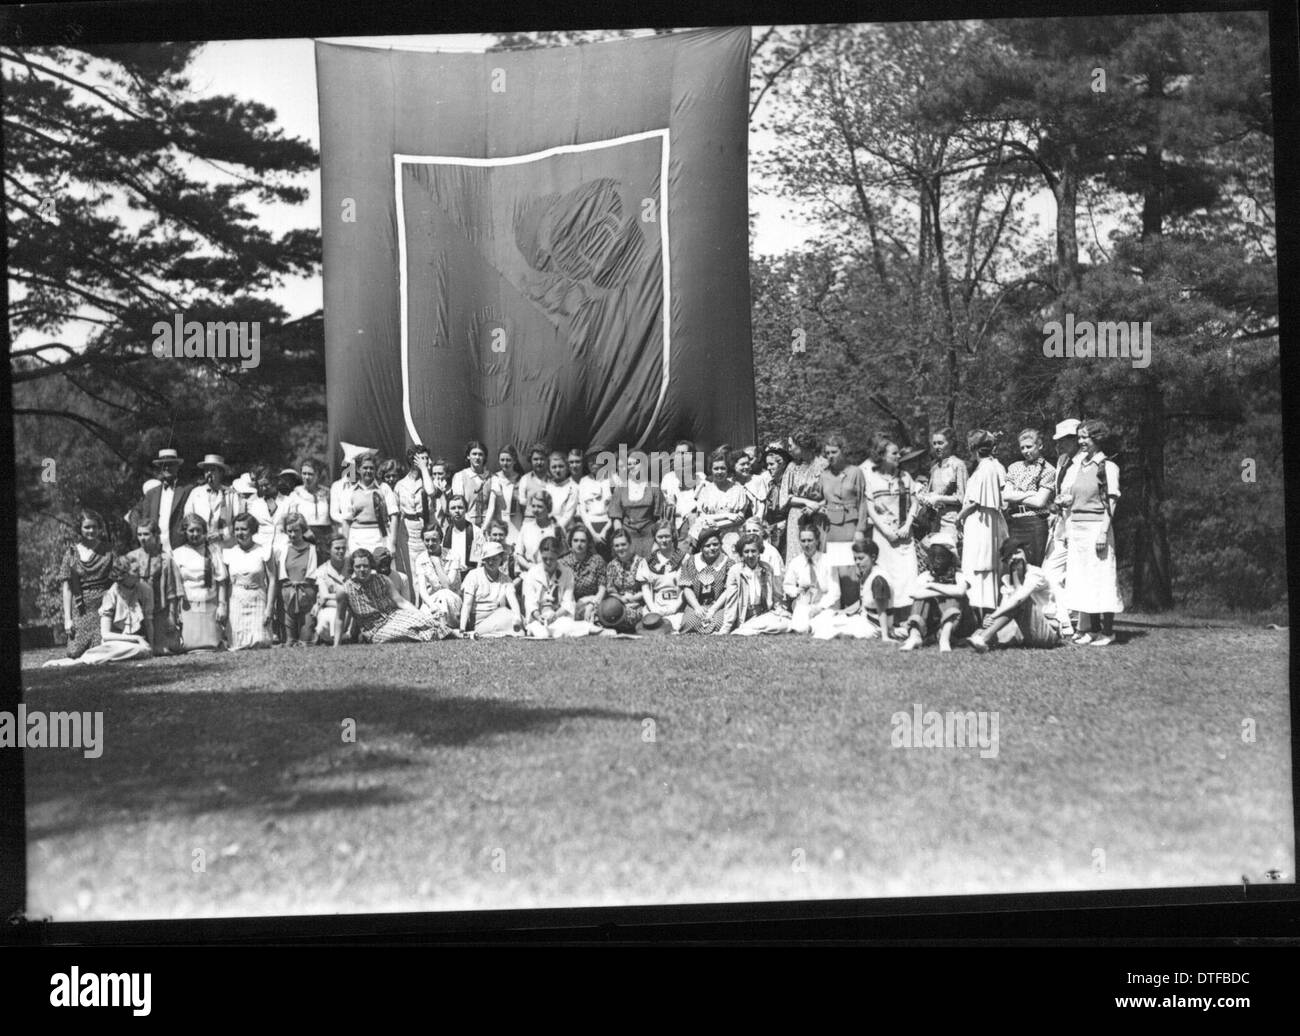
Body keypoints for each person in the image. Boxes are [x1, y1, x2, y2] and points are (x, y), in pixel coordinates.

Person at [1059, 419, 1123, 646]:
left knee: (1101, 577)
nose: (1081, 441)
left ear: (1097, 438)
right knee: (1083, 579)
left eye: (1085, 437)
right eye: (1079, 437)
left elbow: (1111, 501)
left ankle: (1108, 631)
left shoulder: (1107, 466)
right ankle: (1092, 630)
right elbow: (1077, 495)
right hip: (1077, 528)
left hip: (1096, 527)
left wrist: (1103, 533)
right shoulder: (1079, 466)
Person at [43, 556, 155, 667]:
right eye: (135, 571)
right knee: (134, 649)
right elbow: (106, 635)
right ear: (124, 574)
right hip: (116, 642)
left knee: (142, 650)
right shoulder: (111, 594)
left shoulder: (145, 590)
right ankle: (76, 661)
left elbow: (149, 622)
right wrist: (136, 638)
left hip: (137, 643)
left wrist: (152, 646)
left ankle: (85, 659)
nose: (140, 573)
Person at [334, 548, 452, 645]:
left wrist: (418, 614)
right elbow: (339, 618)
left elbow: (401, 602)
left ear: (371, 566)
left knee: (424, 620)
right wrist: (336, 645)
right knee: (403, 632)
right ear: (352, 568)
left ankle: (456, 634)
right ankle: (441, 635)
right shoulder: (344, 590)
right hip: (375, 629)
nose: (362, 570)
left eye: (365, 566)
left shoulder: (382, 580)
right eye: (358, 566)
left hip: (394, 616)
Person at [969, 540, 1064, 653]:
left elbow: (1019, 599)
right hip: (1025, 631)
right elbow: (1006, 608)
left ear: (1025, 554)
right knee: (981, 629)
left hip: (1048, 631)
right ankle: (981, 638)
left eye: (1017, 552)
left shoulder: (1035, 573)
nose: (1014, 557)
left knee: (1019, 601)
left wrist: (993, 616)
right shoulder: (1006, 579)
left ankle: (983, 638)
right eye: (1010, 556)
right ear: (1006, 562)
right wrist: (988, 620)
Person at [864, 438, 920, 622]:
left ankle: (908, 620)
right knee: (887, 577)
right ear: (881, 456)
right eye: (894, 453)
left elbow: (914, 503)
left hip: (905, 536)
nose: (898, 456)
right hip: (883, 537)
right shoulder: (871, 478)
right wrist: (887, 532)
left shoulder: (905, 477)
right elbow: (870, 508)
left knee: (909, 576)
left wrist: (907, 526)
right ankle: (888, 622)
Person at [958, 429, 1008, 618]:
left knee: (980, 562)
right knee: (981, 562)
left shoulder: (986, 468)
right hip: (986, 521)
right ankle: (980, 612)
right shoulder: (993, 466)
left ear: (973, 447)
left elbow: (974, 502)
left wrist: (959, 517)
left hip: (981, 522)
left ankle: (984, 612)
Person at [818, 432, 872, 601]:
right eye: (827, 453)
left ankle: (853, 606)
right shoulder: (824, 474)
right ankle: (835, 607)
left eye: (834, 452)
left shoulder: (855, 472)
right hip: (830, 528)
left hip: (850, 525)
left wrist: (860, 529)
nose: (830, 456)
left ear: (843, 451)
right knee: (833, 570)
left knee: (851, 569)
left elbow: (863, 501)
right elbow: (820, 499)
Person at [1041, 419, 1081, 638]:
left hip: (1077, 525)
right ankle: (1065, 619)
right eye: (1059, 441)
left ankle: (1073, 621)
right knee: (1049, 574)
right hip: (1059, 523)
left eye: (1065, 440)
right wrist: (1054, 508)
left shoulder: (1084, 462)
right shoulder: (1062, 461)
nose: (1060, 445)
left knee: (1074, 575)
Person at [57, 509, 117, 660]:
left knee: (102, 649)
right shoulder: (71, 553)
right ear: (80, 528)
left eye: (95, 527)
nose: (91, 531)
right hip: (81, 607)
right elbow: (67, 588)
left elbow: (119, 579)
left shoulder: (108, 550)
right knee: (74, 653)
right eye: (87, 527)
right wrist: (67, 619)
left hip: (104, 606)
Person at [899, 538, 973, 652]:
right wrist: (941, 591)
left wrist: (933, 586)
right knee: (923, 599)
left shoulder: (959, 574)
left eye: (940, 557)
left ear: (950, 558)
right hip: (933, 625)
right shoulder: (926, 575)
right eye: (933, 557)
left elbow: (960, 591)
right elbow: (914, 594)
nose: (936, 561)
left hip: (957, 626)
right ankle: (915, 636)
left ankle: (945, 638)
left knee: (952, 597)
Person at [171, 513, 229, 651]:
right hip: (187, 605)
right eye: (191, 530)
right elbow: (175, 584)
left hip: (209, 603)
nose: (195, 534)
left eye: (198, 530)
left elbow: (221, 581)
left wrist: (222, 606)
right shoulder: (178, 553)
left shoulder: (213, 551)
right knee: (189, 645)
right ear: (185, 532)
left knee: (212, 644)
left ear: (204, 532)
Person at [522, 536, 596, 638]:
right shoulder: (532, 573)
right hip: (537, 618)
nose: (548, 562)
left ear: (558, 556)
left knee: (565, 626)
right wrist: (538, 616)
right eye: (545, 559)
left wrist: (555, 616)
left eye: (552, 559)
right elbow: (529, 602)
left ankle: (591, 629)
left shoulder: (567, 573)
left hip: (558, 617)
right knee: (542, 634)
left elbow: (568, 602)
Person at [1003, 429, 1055, 566]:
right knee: (1014, 565)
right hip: (1014, 522)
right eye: (1022, 448)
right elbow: (1006, 495)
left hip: (1035, 523)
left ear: (1040, 446)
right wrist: (1029, 494)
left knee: (1034, 567)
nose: (1026, 451)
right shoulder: (1014, 467)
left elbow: (1039, 502)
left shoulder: (1048, 470)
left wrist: (1016, 496)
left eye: (1029, 446)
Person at [127, 519, 181, 654]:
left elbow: (172, 591)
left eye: (146, 534)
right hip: (136, 610)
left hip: (159, 610)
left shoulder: (165, 559)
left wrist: (172, 616)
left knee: (167, 649)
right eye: (139, 534)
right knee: (137, 648)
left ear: (156, 535)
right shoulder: (131, 557)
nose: (142, 538)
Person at [224, 512, 275, 651]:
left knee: (260, 641)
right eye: (237, 529)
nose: (240, 533)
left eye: (244, 529)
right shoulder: (229, 553)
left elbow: (272, 580)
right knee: (237, 644)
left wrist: (269, 608)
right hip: (237, 598)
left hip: (257, 597)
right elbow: (224, 582)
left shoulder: (263, 551)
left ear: (252, 530)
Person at [720, 532, 788, 635]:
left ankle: (753, 629)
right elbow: (731, 601)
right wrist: (725, 628)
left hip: (764, 614)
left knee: (786, 623)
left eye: (753, 551)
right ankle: (746, 629)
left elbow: (774, 597)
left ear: (759, 552)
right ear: (741, 553)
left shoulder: (767, 568)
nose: (750, 555)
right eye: (746, 552)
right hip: (745, 615)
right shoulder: (735, 571)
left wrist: (781, 612)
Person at [130, 447, 192, 555]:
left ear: (177, 466)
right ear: (159, 468)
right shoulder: (151, 493)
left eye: (171, 464)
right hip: (155, 548)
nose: (167, 467)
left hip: (180, 549)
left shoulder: (187, 489)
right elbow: (144, 518)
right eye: (163, 465)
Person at [778, 432, 826, 565]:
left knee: (819, 554)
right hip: (797, 517)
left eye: (791, 445)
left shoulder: (823, 465)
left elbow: (833, 493)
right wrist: (806, 501)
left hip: (819, 515)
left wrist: (818, 505)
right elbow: (784, 497)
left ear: (802, 445)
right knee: (796, 555)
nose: (789, 449)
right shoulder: (792, 467)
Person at [692, 446, 749, 558]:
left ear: (728, 469)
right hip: (710, 537)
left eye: (722, 468)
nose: (719, 472)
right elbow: (702, 518)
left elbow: (739, 518)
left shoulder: (737, 490)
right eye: (716, 468)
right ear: (711, 470)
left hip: (731, 534)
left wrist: (717, 525)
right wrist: (728, 515)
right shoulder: (706, 490)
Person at [782, 524, 839, 634]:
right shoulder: (796, 562)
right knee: (800, 629)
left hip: (823, 606)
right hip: (803, 605)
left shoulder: (827, 561)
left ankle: (817, 624)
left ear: (817, 541)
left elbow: (835, 591)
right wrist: (796, 591)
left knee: (824, 626)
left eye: (810, 540)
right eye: (803, 541)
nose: (806, 544)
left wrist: (820, 608)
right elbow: (787, 585)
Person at [675, 528, 734, 634]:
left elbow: (728, 590)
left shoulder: (728, 563)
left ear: (720, 545)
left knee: (719, 622)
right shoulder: (691, 561)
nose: (712, 548)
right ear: (701, 548)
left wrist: (713, 610)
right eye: (707, 546)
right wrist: (697, 607)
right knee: (689, 622)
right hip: (697, 604)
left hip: (719, 605)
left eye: (715, 544)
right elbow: (687, 588)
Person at [458, 542, 523, 637]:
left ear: (501, 559)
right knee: (507, 615)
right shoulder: (473, 575)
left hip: (499, 617)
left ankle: (491, 634)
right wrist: (462, 629)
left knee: (514, 617)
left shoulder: (506, 580)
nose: (491, 562)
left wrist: (517, 617)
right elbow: (467, 604)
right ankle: (478, 633)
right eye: (488, 559)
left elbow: (513, 601)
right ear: (483, 560)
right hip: (479, 622)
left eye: (495, 559)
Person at [393, 445, 438, 575]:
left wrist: (424, 469)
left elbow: (430, 491)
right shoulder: (401, 485)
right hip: (408, 531)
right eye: (423, 459)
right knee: (412, 570)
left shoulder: (429, 480)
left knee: (429, 568)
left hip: (426, 527)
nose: (428, 461)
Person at [595, 528, 651, 632]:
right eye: (617, 545)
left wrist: (632, 598)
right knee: (601, 613)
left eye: (623, 544)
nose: (620, 548)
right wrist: (621, 599)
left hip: (637, 604)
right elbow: (611, 590)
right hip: (617, 603)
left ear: (630, 544)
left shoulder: (640, 562)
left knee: (627, 617)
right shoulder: (611, 565)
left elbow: (647, 590)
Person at [277, 514, 321, 646]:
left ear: (302, 530)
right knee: (288, 641)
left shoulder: (313, 549)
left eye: (296, 530)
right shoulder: (282, 549)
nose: (292, 534)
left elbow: (317, 577)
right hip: (287, 597)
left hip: (307, 597)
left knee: (306, 640)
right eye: (289, 531)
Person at [609, 450, 663, 558]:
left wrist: (657, 543)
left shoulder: (654, 488)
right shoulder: (620, 489)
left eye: (636, 463)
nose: (632, 467)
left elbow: (660, 519)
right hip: (628, 539)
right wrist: (621, 541)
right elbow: (616, 518)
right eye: (629, 464)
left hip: (650, 537)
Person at [916, 427, 967, 541]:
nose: (937, 447)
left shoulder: (958, 465)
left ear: (951, 443)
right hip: (935, 522)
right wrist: (924, 497)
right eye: (934, 444)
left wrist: (939, 498)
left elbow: (962, 498)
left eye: (940, 443)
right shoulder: (934, 468)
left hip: (952, 522)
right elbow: (930, 494)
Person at [184, 453, 242, 550]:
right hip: (200, 543)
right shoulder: (196, 493)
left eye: (212, 470)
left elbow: (239, 520)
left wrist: (222, 533)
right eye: (206, 470)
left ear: (221, 473)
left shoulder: (231, 494)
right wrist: (197, 533)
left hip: (225, 545)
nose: (209, 473)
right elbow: (188, 517)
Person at [413, 522, 462, 628]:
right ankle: (444, 628)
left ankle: (443, 628)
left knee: (443, 594)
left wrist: (437, 564)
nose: (430, 543)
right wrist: (432, 606)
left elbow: (447, 586)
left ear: (441, 540)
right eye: (427, 540)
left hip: (452, 600)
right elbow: (423, 590)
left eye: (434, 540)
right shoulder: (421, 559)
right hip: (432, 601)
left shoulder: (453, 556)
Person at [344, 451, 392, 556]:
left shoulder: (384, 488)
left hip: (380, 536)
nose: (368, 471)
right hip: (357, 538)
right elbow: (347, 521)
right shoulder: (351, 491)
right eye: (365, 468)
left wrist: (392, 544)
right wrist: (346, 547)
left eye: (371, 468)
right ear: (358, 469)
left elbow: (394, 516)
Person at [643, 521, 686, 627]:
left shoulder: (685, 558)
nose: (664, 540)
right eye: (660, 537)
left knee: (677, 625)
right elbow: (646, 589)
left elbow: (687, 588)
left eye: (667, 536)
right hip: (655, 607)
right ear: (655, 538)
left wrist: (674, 608)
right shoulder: (647, 561)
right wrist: (653, 610)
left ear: (673, 536)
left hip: (678, 606)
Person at [661, 439, 701, 550]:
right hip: (674, 525)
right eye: (678, 454)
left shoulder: (700, 477)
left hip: (693, 526)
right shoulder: (668, 478)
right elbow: (668, 504)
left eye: (684, 454)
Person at [576, 447, 615, 559]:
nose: (593, 463)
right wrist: (593, 533)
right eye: (590, 461)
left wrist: (605, 530)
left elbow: (616, 506)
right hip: (590, 526)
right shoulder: (584, 481)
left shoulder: (613, 479)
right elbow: (582, 509)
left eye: (596, 459)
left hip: (609, 526)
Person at [562, 525, 607, 622]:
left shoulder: (597, 561)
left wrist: (592, 604)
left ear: (588, 543)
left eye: (583, 541)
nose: (579, 544)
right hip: (570, 604)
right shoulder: (563, 563)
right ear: (570, 542)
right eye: (576, 540)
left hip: (594, 601)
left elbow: (602, 589)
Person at [311, 535, 350, 644]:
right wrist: (345, 600)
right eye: (337, 548)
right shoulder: (322, 571)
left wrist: (331, 597)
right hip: (333, 607)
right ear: (329, 549)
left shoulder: (351, 566)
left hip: (351, 607)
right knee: (329, 616)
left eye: (343, 548)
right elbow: (324, 598)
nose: (341, 551)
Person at [451, 440, 496, 534]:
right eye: (474, 454)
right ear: (468, 456)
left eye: (480, 454)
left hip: (487, 527)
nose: (477, 457)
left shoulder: (492, 478)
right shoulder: (460, 476)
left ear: (485, 457)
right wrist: (472, 528)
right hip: (466, 525)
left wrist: (483, 529)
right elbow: (459, 505)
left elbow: (492, 506)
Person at [288, 458, 334, 548]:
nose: (307, 477)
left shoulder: (327, 494)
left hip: (325, 537)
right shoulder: (295, 494)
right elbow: (292, 520)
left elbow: (333, 517)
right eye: (304, 473)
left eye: (310, 474)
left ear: (318, 475)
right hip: (304, 537)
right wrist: (306, 532)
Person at [245, 464, 289, 557]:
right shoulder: (255, 505)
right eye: (261, 486)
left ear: (275, 482)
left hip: (283, 550)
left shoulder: (288, 502)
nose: (264, 489)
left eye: (267, 485)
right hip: (260, 551)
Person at [517, 489, 567, 568]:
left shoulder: (557, 529)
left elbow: (564, 556)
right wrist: (530, 567)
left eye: (540, 506)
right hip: (529, 573)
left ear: (548, 508)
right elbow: (518, 554)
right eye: (533, 506)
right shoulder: (526, 528)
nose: (536, 510)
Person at [489, 445, 526, 545]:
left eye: (508, 460)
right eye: (502, 460)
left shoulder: (521, 479)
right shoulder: (494, 478)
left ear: (514, 461)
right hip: (499, 524)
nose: (505, 463)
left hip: (516, 523)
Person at [759, 443, 792, 555]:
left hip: (787, 527)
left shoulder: (788, 482)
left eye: (771, 464)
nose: (768, 468)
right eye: (767, 464)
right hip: (772, 528)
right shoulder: (771, 483)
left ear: (782, 464)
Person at [329, 442, 367, 536]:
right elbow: (334, 513)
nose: (354, 471)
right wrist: (348, 521)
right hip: (343, 531)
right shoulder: (337, 486)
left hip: (364, 530)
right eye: (350, 467)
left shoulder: (366, 485)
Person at [441, 493, 480, 576]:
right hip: (451, 574)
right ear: (448, 511)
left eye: (460, 507)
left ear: (466, 509)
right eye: (453, 508)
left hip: (470, 574)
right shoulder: (446, 532)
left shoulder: (475, 532)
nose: (457, 511)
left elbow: (478, 561)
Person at [546, 450, 580, 532]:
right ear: (549, 469)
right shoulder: (547, 487)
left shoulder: (573, 487)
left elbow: (568, 514)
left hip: (565, 530)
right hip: (547, 528)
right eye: (554, 467)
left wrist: (555, 529)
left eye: (561, 466)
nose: (557, 470)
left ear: (567, 467)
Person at [518, 441, 551, 509]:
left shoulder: (553, 479)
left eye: (542, 459)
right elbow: (521, 501)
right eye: (535, 459)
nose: (539, 462)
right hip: (529, 518)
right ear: (531, 460)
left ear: (547, 460)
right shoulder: (525, 479)